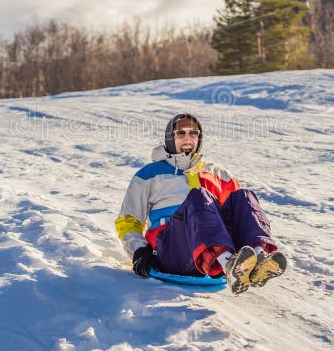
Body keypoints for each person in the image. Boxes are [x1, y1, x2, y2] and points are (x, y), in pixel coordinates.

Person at [115, 113, 287, 294]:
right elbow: (128, 221)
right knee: (199, 196)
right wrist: (138, 252)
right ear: (170, 138)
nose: (187, 139)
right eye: (181, 133)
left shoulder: (218, 173)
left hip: (211, 263)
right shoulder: (149, 175)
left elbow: (238, 217)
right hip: (174, 251)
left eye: (193, 133)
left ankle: (258, 258)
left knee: (243, 196)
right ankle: (228, 264)